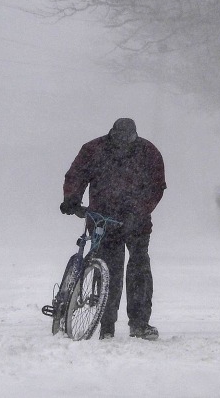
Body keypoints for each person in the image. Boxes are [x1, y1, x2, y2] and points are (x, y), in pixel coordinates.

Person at [60, 118, 165, 340]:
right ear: (113, 134)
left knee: (138, 267)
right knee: (111, 270)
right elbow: (76, 175)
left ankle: (138, 323)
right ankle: (107, 325)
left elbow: (156, 186)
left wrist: (139, 211)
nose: (123, 144)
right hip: (103, 220)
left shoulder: (148, 152)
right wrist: (72, 198)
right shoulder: (94, 149)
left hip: (135, 221)